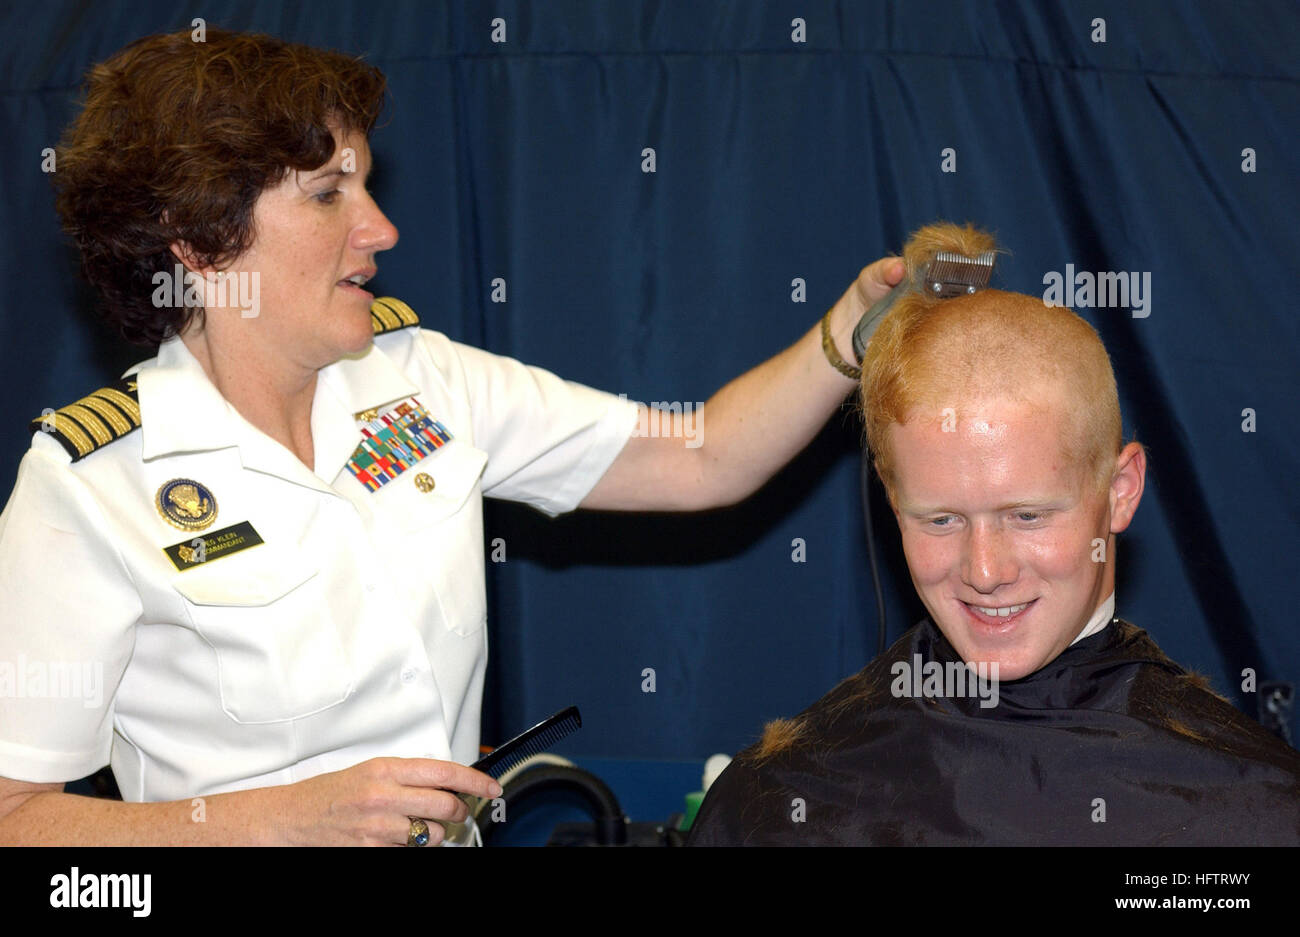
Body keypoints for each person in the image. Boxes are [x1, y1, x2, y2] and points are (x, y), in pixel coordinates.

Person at [0, 28, 903, 845]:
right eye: (327, 194)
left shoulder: (422, 379)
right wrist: (283, 819)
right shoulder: (90, 487)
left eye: (365, 185)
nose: (381, 228)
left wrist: (851, 329)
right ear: (198, 241)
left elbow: (701, 455)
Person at [688, 223, 1300, 846]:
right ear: (893, 502)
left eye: (1026, 516)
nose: (985, 572)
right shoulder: (779, 804)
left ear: (1120, 491)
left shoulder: (1258, 814)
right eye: (941, 519)